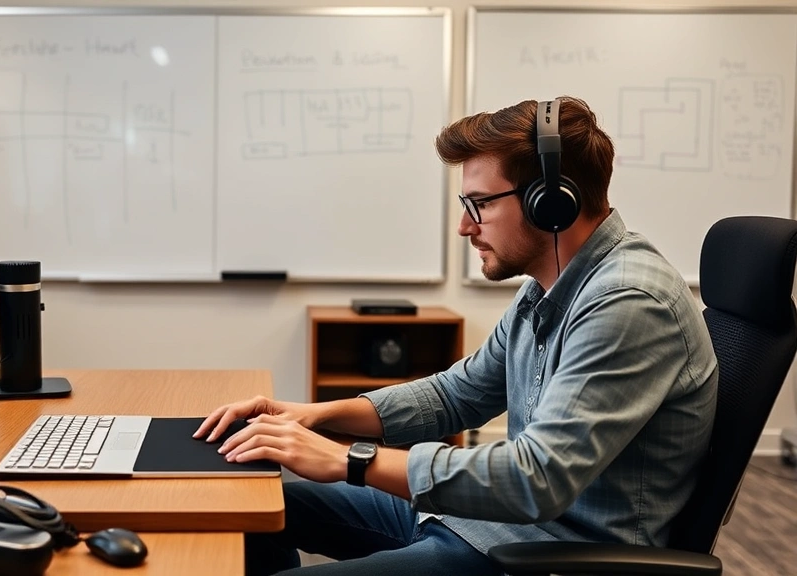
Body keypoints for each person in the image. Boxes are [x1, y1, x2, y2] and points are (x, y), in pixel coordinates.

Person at [193, 96, 718, 575]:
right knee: (258, 512)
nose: (466, 228)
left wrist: (350, 458)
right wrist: (317, 415)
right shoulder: (550, 286)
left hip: (550, 552)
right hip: (484, 521)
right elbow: (456, 394)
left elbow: (536, 479)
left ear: (551, 202)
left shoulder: (628, 302)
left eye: (480, 205)